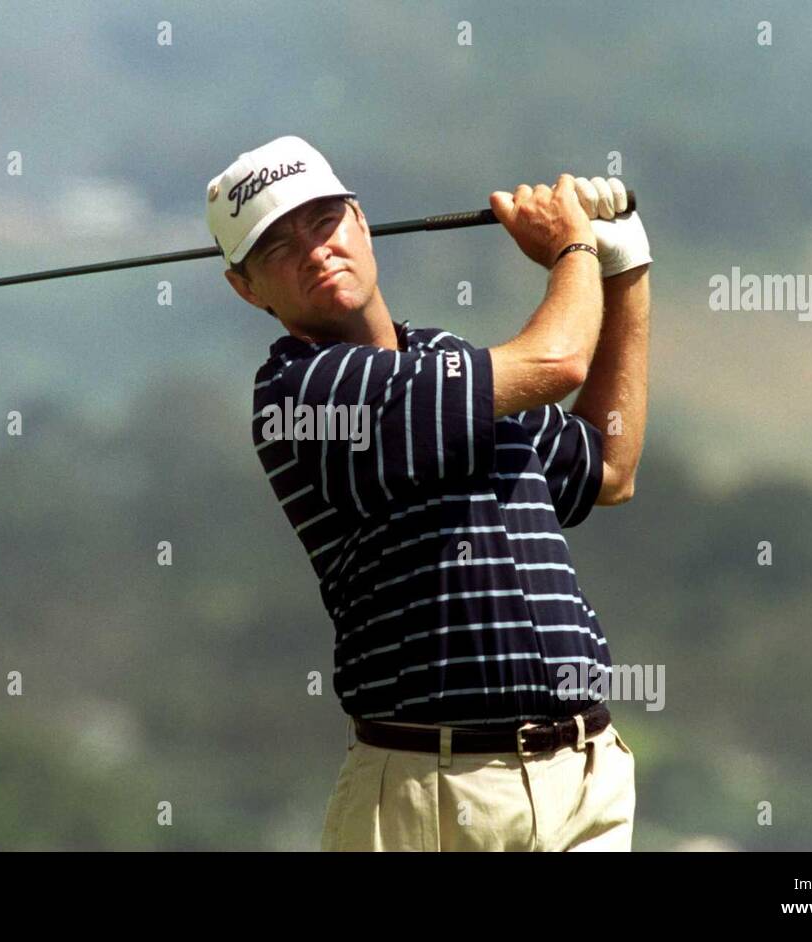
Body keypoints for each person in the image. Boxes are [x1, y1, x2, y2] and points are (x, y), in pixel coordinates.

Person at [205, 135, 651, 851]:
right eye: (276, 247)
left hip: (584, 777)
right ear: (245, 287)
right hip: (432, 793)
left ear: (360, 220)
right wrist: (574, 251)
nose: (315, 250)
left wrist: (625, 265)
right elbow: (560, 359)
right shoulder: (303, 392)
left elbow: (608, 469)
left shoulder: (451, 362)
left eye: (323, 221)